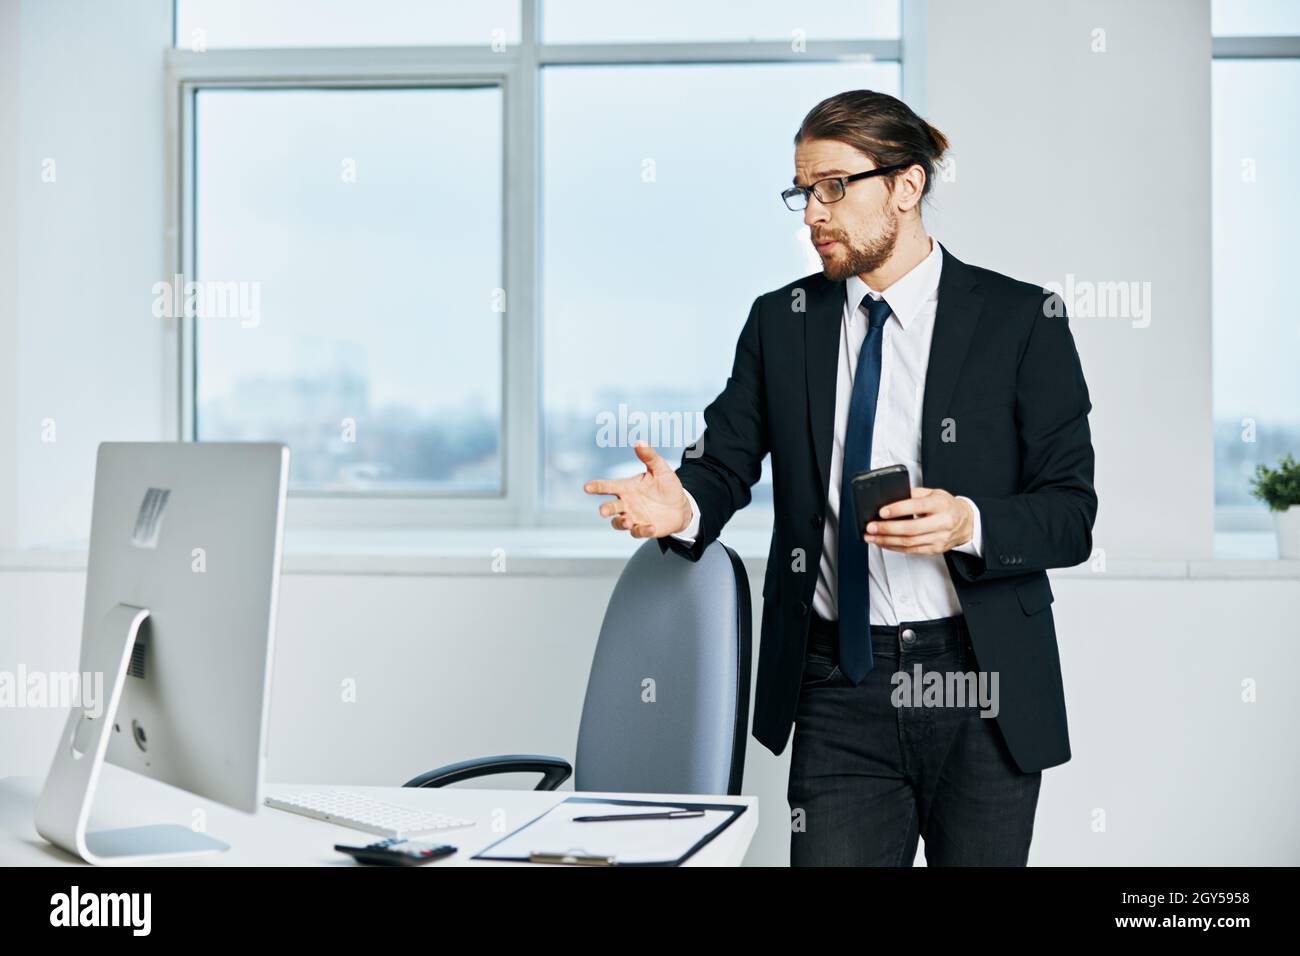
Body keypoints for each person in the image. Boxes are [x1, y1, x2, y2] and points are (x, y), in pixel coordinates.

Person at [583, 89, 1097, 866]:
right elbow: (724, 464)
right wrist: (679, 504)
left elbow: (1070, 514)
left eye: (832, 187)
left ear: (906, 185)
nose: (812, 214)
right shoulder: (779, 321)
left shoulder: (1024, 321)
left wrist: (969, 522)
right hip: (837, 685)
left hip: (977, 686)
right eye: (802, 192)